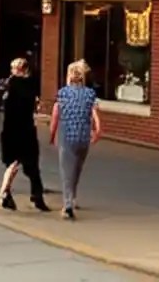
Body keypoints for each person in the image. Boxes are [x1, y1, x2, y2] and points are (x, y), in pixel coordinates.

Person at [50, 59, 101, 220]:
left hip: (67, 135)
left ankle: (67, 205)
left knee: (67, 171)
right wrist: (97, 130)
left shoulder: (63, 93)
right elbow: (95, 116)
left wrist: (52, 136)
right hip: (83, 136)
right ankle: (73, 197)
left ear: (70, 76)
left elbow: (55, 118)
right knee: (77, 169)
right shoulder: (90, 94)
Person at [0, 58, 49, 212]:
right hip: (24, 130)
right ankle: (33, 196)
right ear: (25, 70)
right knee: (31, 165)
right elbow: (31, 107)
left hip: (10, 130)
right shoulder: (27, 86)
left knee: (13, 164)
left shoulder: (9, 86)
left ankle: (9, 193)